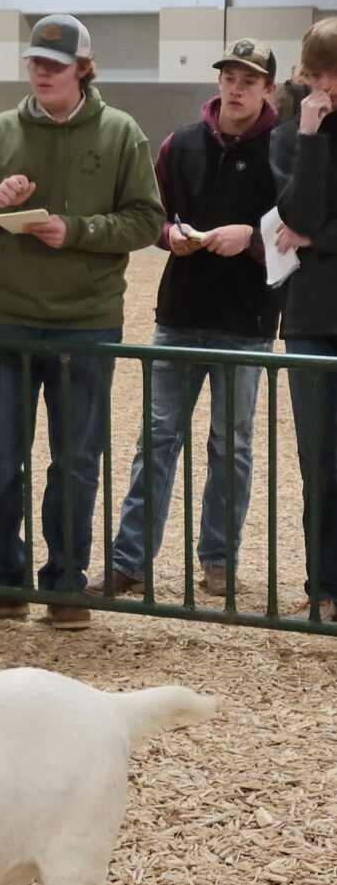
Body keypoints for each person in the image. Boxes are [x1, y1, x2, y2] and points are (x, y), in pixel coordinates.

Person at [0, 13, 164, 630]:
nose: (42, 71)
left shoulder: (122, 133)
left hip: (86, 323)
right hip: (5, 318)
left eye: (55, 64)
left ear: (84, 68)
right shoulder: (2, 128)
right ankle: (1, 580)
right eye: (35, 61)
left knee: (75, 461)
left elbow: (144, 219)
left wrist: (78, 232)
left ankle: (67, 587)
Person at [87, 39, 279, 602]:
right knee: (156, 440)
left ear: (268, 88)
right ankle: (130, 560)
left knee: (232, 446)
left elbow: (297, 229)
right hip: (179, 314)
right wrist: (168, 235)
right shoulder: (180, 145)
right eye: (229, 76)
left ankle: (219, 562)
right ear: (218, 81)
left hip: (247, 321)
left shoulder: (285, 150)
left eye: (249, 79)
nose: (236, 87)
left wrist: (252, 238)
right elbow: (152, 215)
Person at [269, 17, 337, 622]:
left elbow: (310, 230)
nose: (327, 83)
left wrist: (318, 238)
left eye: (335, 72)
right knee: (319, 458)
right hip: (313, 318)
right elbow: (294, 213)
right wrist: (312, 135)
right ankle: (324, 584)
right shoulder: (291, 136)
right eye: (318, 72)